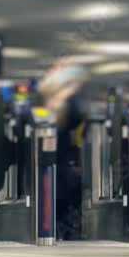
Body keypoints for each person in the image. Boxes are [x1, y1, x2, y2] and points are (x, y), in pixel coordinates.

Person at [38, 63, 87, 241]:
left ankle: (63, 234)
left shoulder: (70, 101)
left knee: (65, 200)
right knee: (59, 200)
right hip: (57, 162)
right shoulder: (49, 99)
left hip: (65, 162)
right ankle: (56, 233)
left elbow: (74, 120)